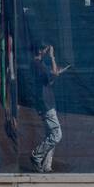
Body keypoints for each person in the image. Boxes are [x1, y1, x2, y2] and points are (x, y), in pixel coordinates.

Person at [30, 42, 67, 173]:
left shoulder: (37, 65)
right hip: (46, 104)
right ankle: (36, 155)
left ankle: (46, 166)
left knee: (51, 135)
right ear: (40, 50)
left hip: (46, 102)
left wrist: (54, 73)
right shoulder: (38, 65)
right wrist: (52, 57)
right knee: (57, 135)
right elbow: (53, 75)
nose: (47, 51)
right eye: (45, 49)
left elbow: (50, 79)